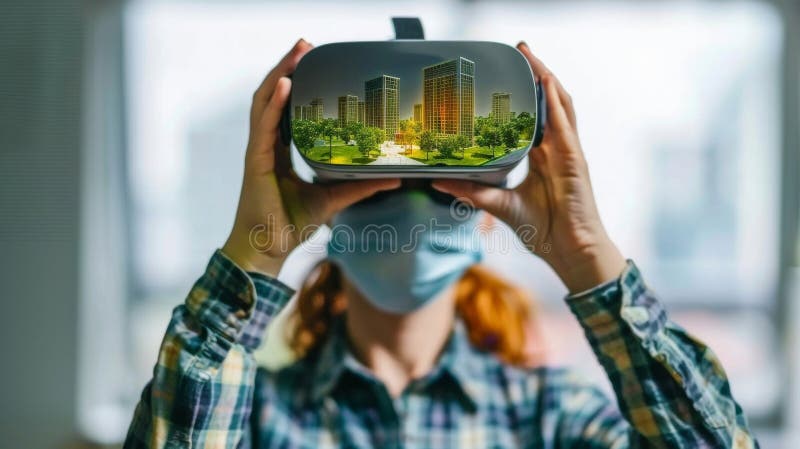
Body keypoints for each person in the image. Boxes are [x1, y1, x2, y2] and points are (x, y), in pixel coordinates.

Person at [124, 39, 758, 449]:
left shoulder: (556, 419)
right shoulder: (254, 420)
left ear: (485, 215)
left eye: (447, 187)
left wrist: (585, 254)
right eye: (373, 182)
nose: (409, 199)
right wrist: (257, 246)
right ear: (327, 208)